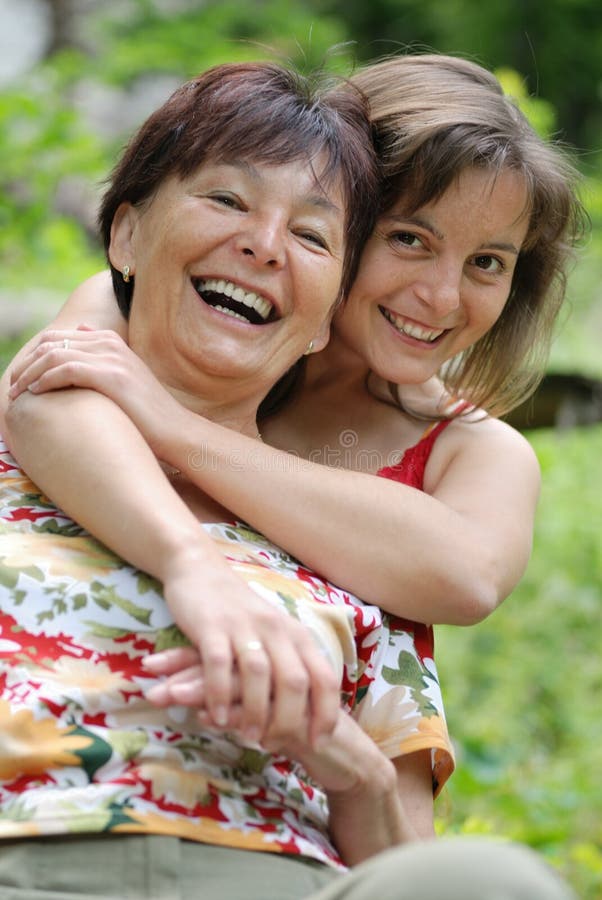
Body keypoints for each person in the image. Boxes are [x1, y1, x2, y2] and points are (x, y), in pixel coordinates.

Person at [0, 54, 582, 898]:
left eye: (487, 263)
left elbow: (462, 571)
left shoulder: (377, 555)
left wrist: (171, 423)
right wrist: (189, 557)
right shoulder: (114, 339)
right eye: (408, 239)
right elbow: (52, 397)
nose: (439, 294)